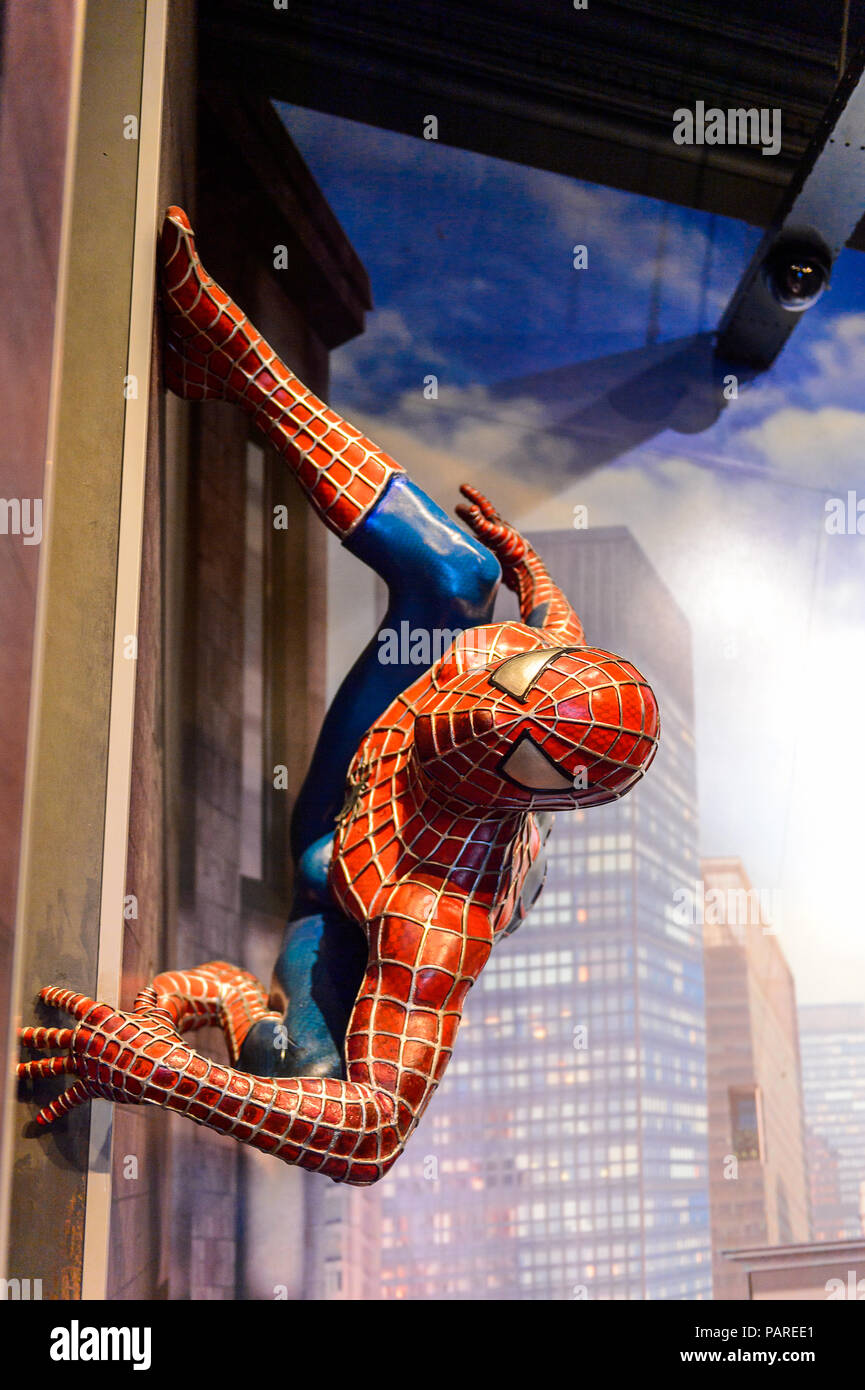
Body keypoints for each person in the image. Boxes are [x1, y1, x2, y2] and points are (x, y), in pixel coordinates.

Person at [18, 209, 659, 1186]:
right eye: (518, 681)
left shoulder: (438, 921)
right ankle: (231, 360)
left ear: (525, 790)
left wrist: (157, 1069)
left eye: (519, 743)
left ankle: (235, 1002)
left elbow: (372, 1137)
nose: (488, 707)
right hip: (380, 781)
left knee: (307, 1066)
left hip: (346, 880)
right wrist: (525, 565)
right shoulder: (531, 649)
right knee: (458, 571)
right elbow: (551, 620)